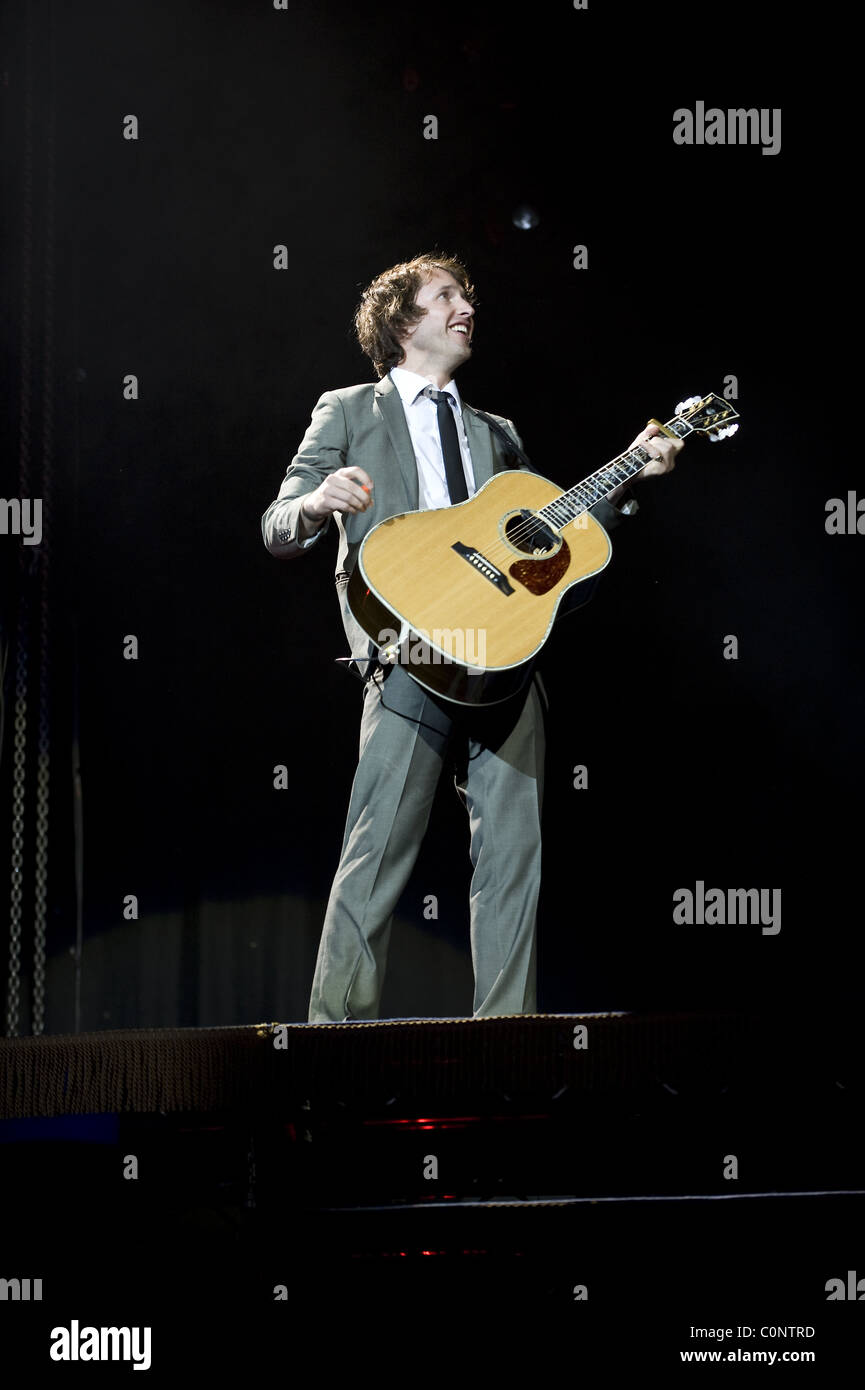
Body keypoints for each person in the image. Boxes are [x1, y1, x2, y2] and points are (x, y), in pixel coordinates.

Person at [261, 253, 681, 1022]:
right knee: (376, 850)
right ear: (401, 321)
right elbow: (277, 526)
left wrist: (627, 480)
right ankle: (332, 1038)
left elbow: (558, 539)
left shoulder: (497, 431)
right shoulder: (350, 409)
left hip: (502, 660)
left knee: (513, 860)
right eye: (446, 296)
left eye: (467, 296)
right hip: (409, 649)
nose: (466, 307)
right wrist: (319, 500)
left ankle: (506, 1037)